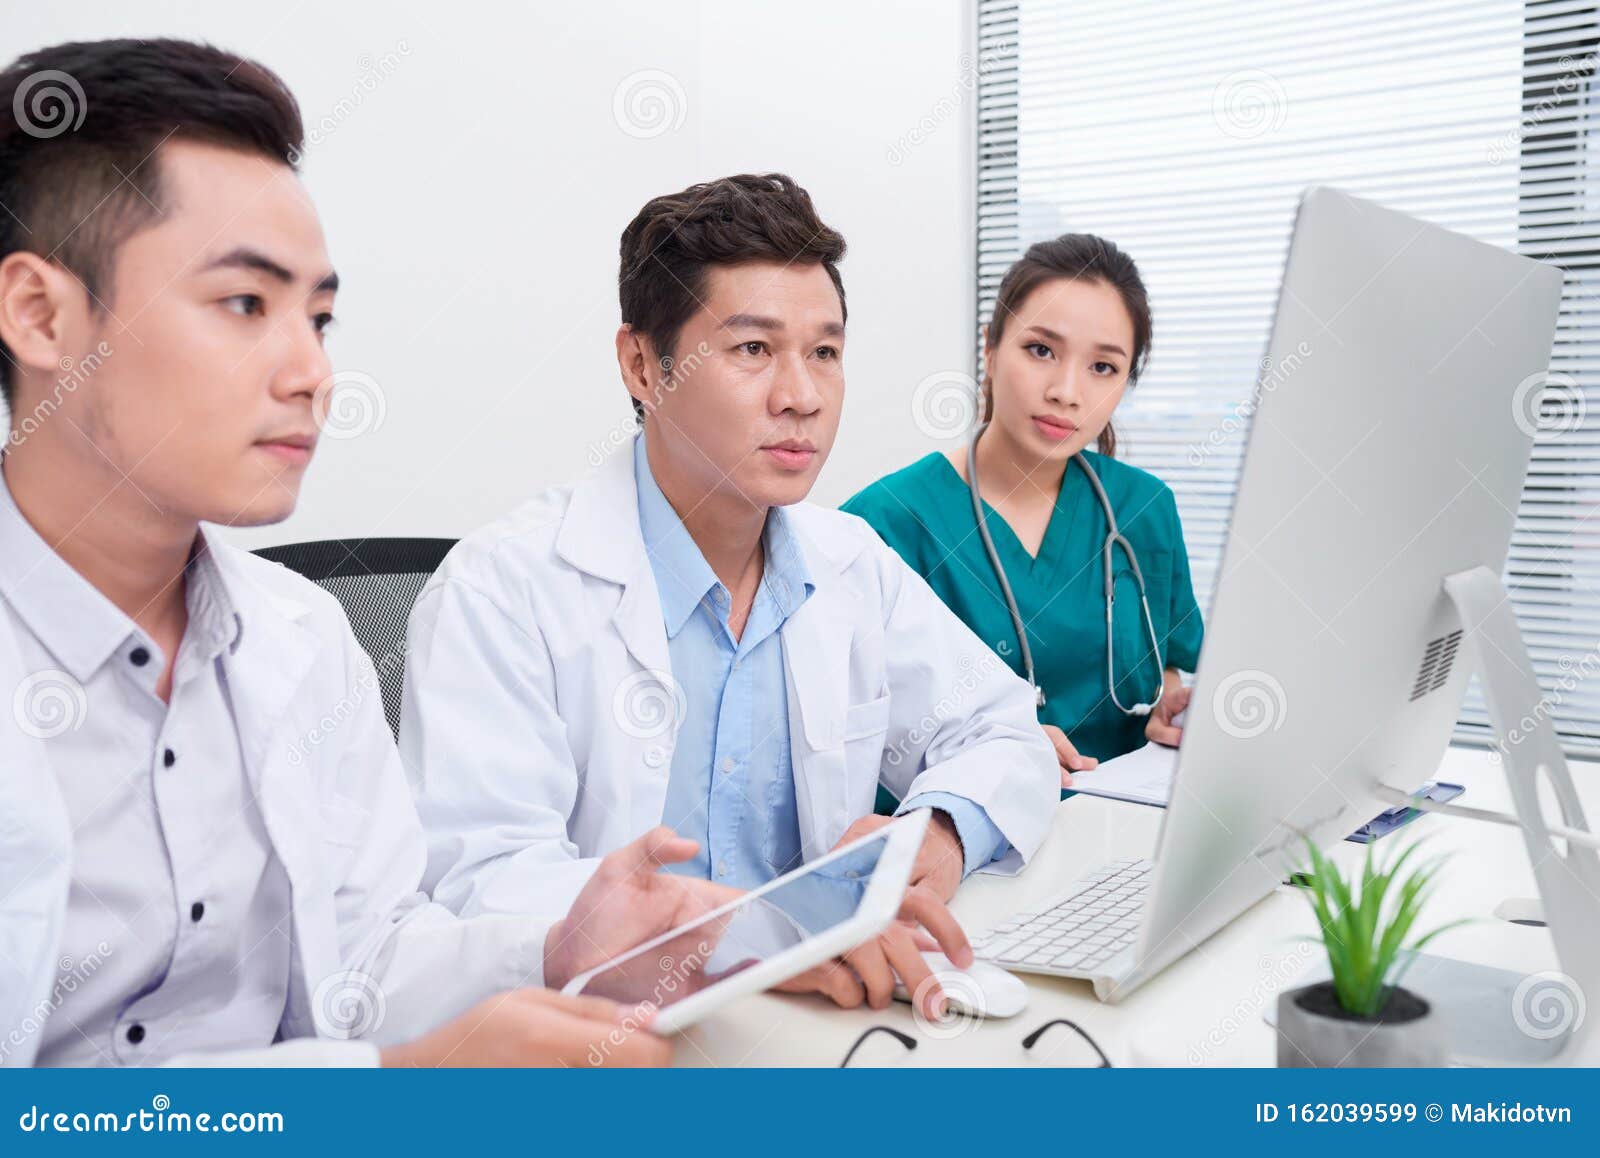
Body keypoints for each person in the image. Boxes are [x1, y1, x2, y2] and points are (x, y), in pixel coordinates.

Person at [0, 37, 732, 1068]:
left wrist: (554, 948)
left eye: (322, 317)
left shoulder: (301, 640)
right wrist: (383, 1085)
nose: (311, 372)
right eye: (245, 304)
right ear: (41, 315)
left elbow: (366, 961)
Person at [401, 174, 1059, 1015]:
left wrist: (937, 833)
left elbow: (1004, 728)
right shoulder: (503, 589)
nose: (803, 395)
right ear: (644, 365)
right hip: (611, 1047)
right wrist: (753, 939)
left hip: (819, 1023)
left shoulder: (848, 562)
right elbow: (480, 884)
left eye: (824, 351)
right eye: (753, 350)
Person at [842, 235, 1204, 788]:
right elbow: (844, 733)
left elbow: (1164, 672)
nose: (1066, 391)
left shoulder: (1144, 508)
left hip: (1121, 826)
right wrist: (993, 750)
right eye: (1041, 350)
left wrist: (1170, 712)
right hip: (961, 842)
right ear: (989, 348)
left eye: (1103, 367)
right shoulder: (884, 524)